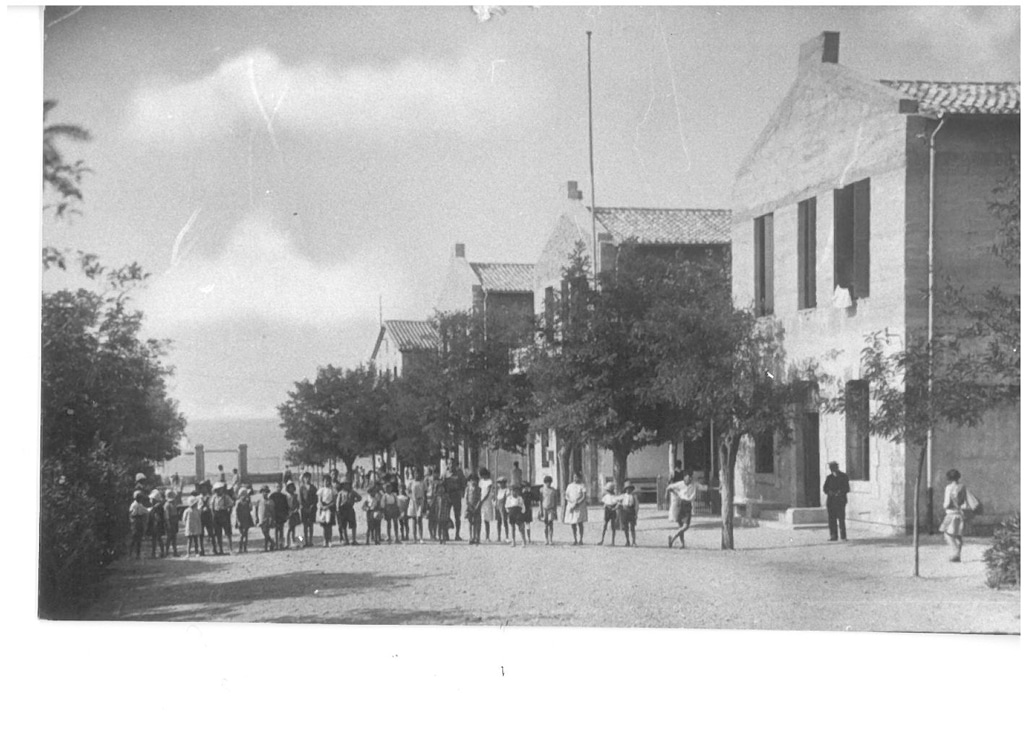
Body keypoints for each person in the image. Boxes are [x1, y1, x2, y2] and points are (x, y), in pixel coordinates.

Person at [667, 470, 707, 549]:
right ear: (685, 477)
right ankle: (682, 543)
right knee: (681, 525)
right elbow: (669, 487)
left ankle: (673, 538)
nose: (690, 479)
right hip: (680, 503)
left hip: (688, 504)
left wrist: (717, 488)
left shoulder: (694, 484)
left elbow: (704, 488)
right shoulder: (680, 484)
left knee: (686, 526)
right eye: (688, 477)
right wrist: (677, 493)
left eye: (691, 477)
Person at [940, 469, 969, 562]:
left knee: (947, 534)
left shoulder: (949, 488)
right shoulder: (962, 487)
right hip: (959, 513)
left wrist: (944, 506)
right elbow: (964, 501)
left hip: (951, 513)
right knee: (958, 535)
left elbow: (947, 503)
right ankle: (958, 556)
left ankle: (955, 552)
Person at [823, 461, 850, 542]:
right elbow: (825, 488)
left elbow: (847, 488)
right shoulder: (829, 478)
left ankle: (843, 536)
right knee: (832, 519)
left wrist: (839, 492)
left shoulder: (844, 476)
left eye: (833, 467)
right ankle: (833, 536)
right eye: (831, 468)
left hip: (840, 501)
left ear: (837, 467)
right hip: (831, 501)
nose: (832, 469)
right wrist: (829, 492)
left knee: (841, 519)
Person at [563, 471, 588, 545]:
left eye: (576, 477)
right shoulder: (570, 486)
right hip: (571, 505)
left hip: (579, 506)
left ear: (580, 478)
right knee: (572, 523)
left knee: (579, 522)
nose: (575, 478)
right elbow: (566, 495)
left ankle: (581, 539)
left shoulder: (582, 485)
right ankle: (575, 539)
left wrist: (577, 503)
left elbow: (583, 496)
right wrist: (570, 501)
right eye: (574, 477)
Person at [444, 461, 467, 541]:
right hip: (447, 496)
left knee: (457, 516)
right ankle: (446, 534)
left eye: (452, 464)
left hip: (456, 496)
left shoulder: (459, 474)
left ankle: (457, 534)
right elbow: (442, 485)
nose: (451, 465)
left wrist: (462, 492)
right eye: (449, 464)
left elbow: (464, 483)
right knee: (445, 515)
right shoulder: (445, 474)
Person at [211, 481, 234, 555]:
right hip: (216, 515)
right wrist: (213, 515)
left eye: (220, 489)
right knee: (218, 533)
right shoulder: (213, 498)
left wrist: (228, 512)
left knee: (228, 533)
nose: (219, 491)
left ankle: (230, 549)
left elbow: (231, 504)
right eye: (217, 489)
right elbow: (211, 507)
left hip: (224, 515)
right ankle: (220, 549)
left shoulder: (226, 497)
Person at [337, 481, 361, 545]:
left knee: (353, 525)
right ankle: (346, 540)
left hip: (350, 509)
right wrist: (338, 510)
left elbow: (359, 497)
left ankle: (354, 540)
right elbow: (338, 502)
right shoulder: (340, 493)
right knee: (344, 526)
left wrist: (354, 500)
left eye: (347, 484)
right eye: (345, 484)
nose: (346, 486)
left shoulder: (352, 492)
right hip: (342, 510)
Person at [298, 471, 318, 548]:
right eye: (305, 477)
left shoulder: (313, 488)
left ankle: (311, 541)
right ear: (303, 479)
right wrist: (304, 507)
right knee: (305, 525)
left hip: (312, 509)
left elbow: (316, 499)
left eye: (308, 477)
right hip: (304, 509)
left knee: (311, 525)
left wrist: (312, 506)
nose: (307, 479)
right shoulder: (301, 488)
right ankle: (305, 541)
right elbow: (300, 499)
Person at [317, 476, 337, 548]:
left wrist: (328, 506)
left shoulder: (332, 490)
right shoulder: (321, 490)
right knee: (324, 526)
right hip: (323, 508)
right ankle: (325, 540)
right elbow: (319, 500)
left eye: (328, 481)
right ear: (323, 482)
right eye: (325, 481)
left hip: (330, 507)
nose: (327, 482)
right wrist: (322, 506)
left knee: (330, 525)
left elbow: (334, 501)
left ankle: (330, 540)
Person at [617, 481, 639, 547]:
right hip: (625, 512)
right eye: (627, 489)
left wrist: (636, 514)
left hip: (631, 511)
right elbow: (617, 501)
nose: (628, 490)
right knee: (625, 527)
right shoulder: (623, 496)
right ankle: (627, 541)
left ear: (631, 489)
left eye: (629, 489)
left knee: (632, 527)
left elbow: (636, 506)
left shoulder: (634, 496)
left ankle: (634, 541)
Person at [598, 481, 620, 546]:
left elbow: (618, 504)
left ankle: (613, 541)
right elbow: (603, 503)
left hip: (612, 510)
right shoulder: (606, 496)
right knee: (605, 525)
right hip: (607, 510)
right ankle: (602, 540)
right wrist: (605, 506)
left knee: (613, 526)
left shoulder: (615, 496)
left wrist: (614, 508)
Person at [129, 491, 149, 560]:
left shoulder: (138, 504)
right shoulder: (136, 505)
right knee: (135, 539)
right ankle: (131, 554)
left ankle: (136, 554)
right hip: (136, 522)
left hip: (137, 522)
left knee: (137, 539)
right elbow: (145, 511)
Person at [148, 489, 167, 558]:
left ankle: (156, 553)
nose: (150, 500)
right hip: (157, 524)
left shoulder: (157, 507)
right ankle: (160, 552)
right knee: (157, 539)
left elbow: (157, 517)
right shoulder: (158, 506)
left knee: (156, 538)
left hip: (156, 525)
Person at [464, 473, 483, 544]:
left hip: (477, 508)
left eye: (475, 480)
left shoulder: (479, 489)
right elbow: (466, 498)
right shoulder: (468, 489)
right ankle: (470, 537)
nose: (474, 482)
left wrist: (477, 506)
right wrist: (469, 506)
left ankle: (477, 537)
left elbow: (480, 498)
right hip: (470, 507)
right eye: (472, 480)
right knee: (470, 523)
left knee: (477, 523)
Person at [539, 476, 559, 545]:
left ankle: (551, 539)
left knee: (551, 524)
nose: (548, 484)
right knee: (545, 525)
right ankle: (546, 539)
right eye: (547, 482)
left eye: (549, 482)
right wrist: (540, 510)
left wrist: (555, 510)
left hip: (551, 509)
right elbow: (540, 501)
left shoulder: (553, 490)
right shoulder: (542, 490)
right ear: (545, 482)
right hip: (544, 509)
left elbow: (556, 501)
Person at [234, 487, 254, 553]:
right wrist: (238, 521)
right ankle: (240, 548)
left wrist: (249, 502)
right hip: (241, 519)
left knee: (246, 534)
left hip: (247, 519)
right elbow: (236, 512)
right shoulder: (238, 502)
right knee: (241, 535)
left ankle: (245, 548)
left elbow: (250, 509)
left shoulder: (247, 502)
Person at [478, 468, 495, 542]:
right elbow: (479, 490)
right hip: (480, 501)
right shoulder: (481, 482)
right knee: (479, 519)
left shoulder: (489, 482)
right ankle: (478, 536)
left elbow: (487, 493)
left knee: (486, 520)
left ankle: (487, 537)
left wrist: (482, 500)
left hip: (487, 502)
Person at [409, 470, 426, 543]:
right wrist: (411, 497)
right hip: (413, 502)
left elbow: (425, 492)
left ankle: (421, 537)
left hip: (420, 501)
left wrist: (425, 503)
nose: (417, 475)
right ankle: (414, 538)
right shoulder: (411, 482)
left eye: (418, 473)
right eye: (415, 473)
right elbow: (407, 490)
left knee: (419, 519)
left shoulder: (422, 482)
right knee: (413, 519)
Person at [164, 488, 180, 557]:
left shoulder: (174, 504)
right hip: (170, 522)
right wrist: (168, 524)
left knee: (174, 537)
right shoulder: (167, 505)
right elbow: (167, 516)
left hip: (174, 521)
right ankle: (166, 552)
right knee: (169, 538)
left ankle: (175, 552)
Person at [493, 476, 510, 542]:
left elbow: (508, 499)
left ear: (504, 483)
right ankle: (499, 536)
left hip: (504, 507)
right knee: (498, 522)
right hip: (498, 507)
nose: (500, 484)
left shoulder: (507, 490)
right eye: (499, 483)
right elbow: (496, 499)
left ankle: (507, 537)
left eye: (501, 483)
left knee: (505, 521)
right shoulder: (498, 491)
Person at [260, 486, 276, 552]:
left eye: (266, 492)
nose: (265, 493)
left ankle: (266, 547)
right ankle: (272, 543)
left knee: (266, 532)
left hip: (268, 519)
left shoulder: (270, 501)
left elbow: (272, 511)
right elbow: (258, 510)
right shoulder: (260, 501)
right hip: (262, 519)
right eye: (263, 492)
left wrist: (272, 519)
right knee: (264, 532)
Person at [285, 482, 301, 548]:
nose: (291, 489)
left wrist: (296, 509)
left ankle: (293, 541)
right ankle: (286, 542)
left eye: (292, 487)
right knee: (288, 528)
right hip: (289, 513)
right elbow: (285, 505)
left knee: (293, 527)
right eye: (289, 487)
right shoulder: (286, 496)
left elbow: (298, 504)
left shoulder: (295, 496)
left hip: (294, 513)